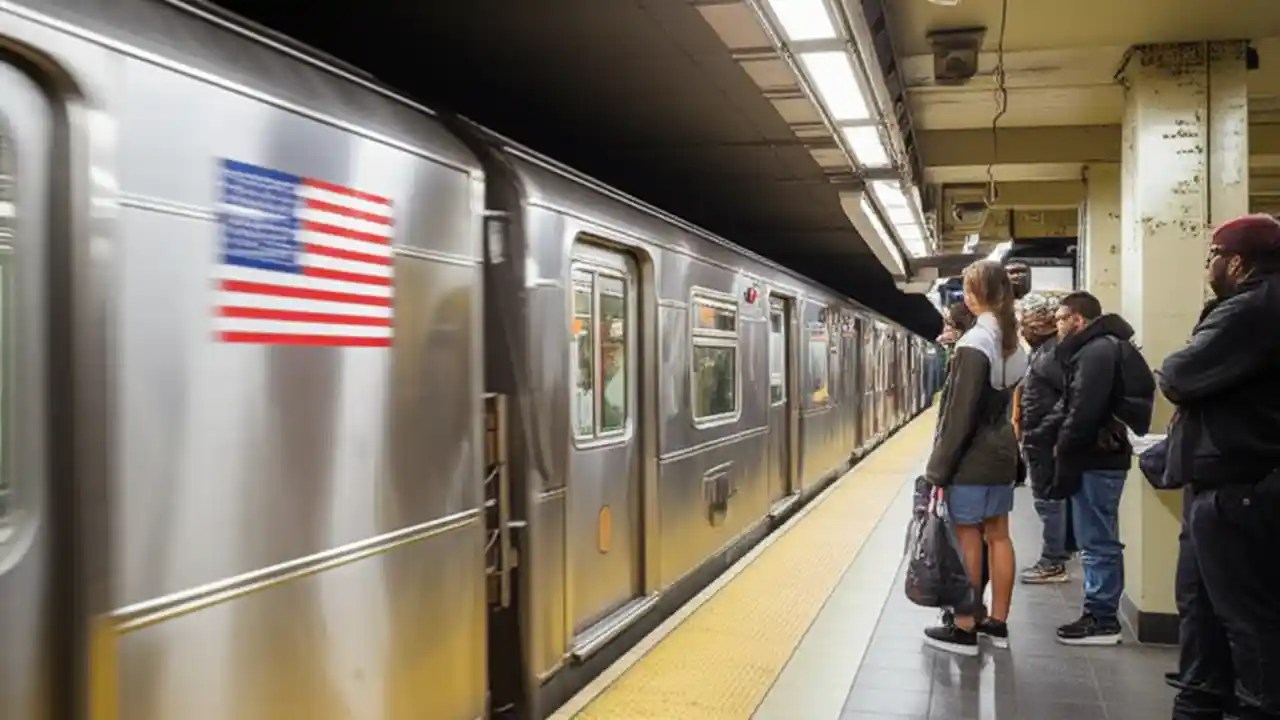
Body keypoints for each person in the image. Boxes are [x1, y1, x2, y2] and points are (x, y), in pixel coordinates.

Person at [1159, 214, 1280, 719]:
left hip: (1237, 488)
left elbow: (1177, 374)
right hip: (1224, 486)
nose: (1207, 264)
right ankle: (1200, 699)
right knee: (1202, 608)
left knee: (1245, 619)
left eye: (1212, 254)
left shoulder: (1252, 307)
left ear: (1236, 261)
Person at [922, 260, 1027, 656]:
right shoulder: (1017, 344)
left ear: (973, 295)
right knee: (998, 535)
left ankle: (965, 625)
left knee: (967, 535)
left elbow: (960, 416)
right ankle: (997, 622)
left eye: (968, 289)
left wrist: (938, 469)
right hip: (1003, 452)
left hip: (972, 460)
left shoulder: (973, 344)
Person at [1047, 291, 1151, 645]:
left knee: (1097, 540)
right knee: (1098, 536)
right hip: (1103, 455)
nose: (1057, 325)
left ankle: (1102, 618)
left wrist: (1063, 449)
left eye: (1061, 318)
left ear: (1078, 319)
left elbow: (1084, 410)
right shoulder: (1106, 347)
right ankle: (1100, 612)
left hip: (1097, 456)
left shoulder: (1095, 352)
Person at [1012, 291, 1072, 583]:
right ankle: (1056, 555)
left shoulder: (1050, 355)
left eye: (1025, 322)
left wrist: (1040, 430)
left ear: (1037, 325)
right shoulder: (1047, 352)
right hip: (1044, 439)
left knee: (1048, 501)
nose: (1022, 328)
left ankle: (1053, 561)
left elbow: (1070, 398)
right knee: (1049, 499)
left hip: (1045, 442)